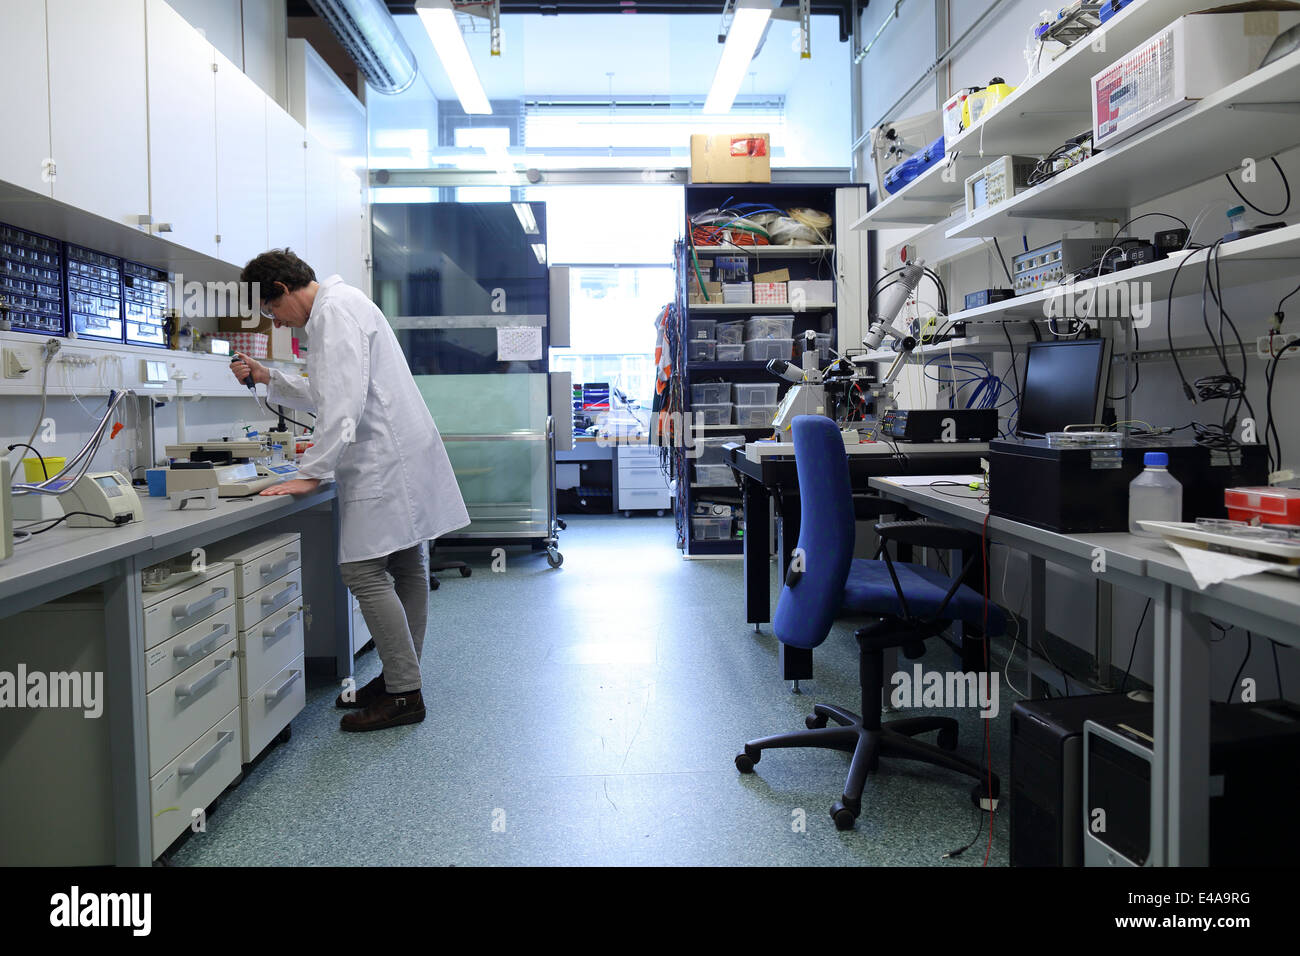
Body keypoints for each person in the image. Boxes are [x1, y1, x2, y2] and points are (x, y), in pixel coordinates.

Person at [231, 249, 469, 732]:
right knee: (405, 563)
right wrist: (268, 377)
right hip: (395, 452)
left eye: (272, 310)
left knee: (361, 570)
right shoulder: (341, 306)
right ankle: (401, 677)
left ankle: (404, 692)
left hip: (384, 458)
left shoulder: (332, 313)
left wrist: (312, 471)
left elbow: (341, 404)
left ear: (279, 289)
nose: (276, 322)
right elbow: (330, 389)